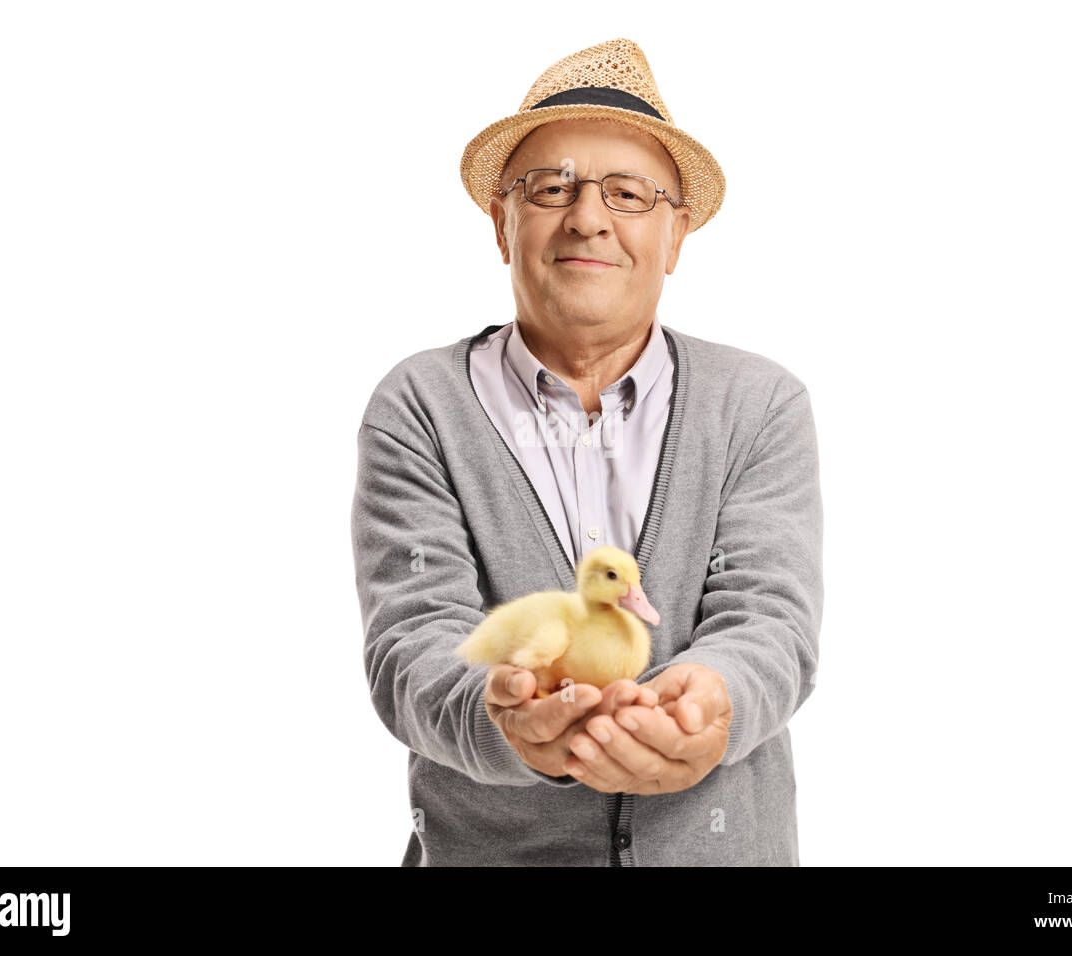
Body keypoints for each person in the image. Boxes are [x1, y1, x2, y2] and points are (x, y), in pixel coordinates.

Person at [352, 38, 823, 866]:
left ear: (675, 237)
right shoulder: (419, 406)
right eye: (550, 187)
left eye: (629, 193)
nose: (588, 216)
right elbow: (413, 644)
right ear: (503, 225)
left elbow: (770, 619)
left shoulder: (759, 404)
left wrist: (716, 703)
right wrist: (505, 718)